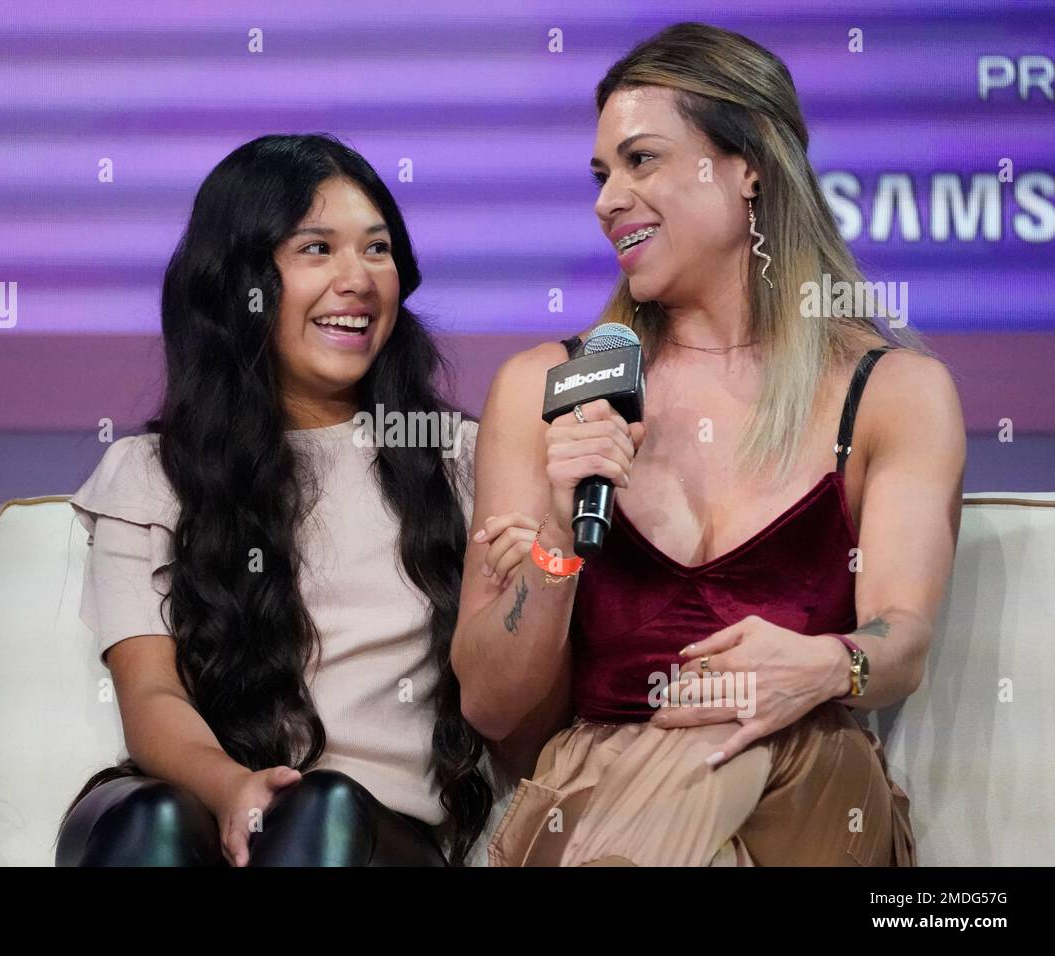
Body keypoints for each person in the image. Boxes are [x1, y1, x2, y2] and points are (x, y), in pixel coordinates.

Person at [452, 22, 965, 866]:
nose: (606, 198)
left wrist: (827, 666)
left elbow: (899, 643)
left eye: (641, 160)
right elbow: (494, 710)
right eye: (600, 173)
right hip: (607, 788)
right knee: (683, 776)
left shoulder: (893, 392)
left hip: (811, 787)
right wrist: (552, 540)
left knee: (774, 739)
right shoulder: (545, 389)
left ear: (748, 166)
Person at [55, 133, 495, 867]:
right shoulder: (149, 474)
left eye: (377, 249)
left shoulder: (462, 459)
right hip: (201, 810)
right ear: (239, 282)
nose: (357, 279)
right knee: (151, 818)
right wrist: (232, 789)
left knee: (320, 810)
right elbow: (151, 696)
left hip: (378, 835)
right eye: (316, 249)